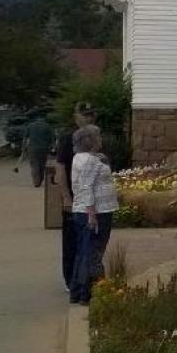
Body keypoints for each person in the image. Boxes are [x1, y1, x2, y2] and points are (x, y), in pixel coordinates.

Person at [68, 123, 119, 305]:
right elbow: (86, 185)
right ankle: (90, 292)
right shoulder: (90, 160)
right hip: (96, 212)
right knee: (93, 252)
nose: (101, 139)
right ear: (90, 141)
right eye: (98, 137)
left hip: (86, 210)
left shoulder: (81, 158)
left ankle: (77, 290)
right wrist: (91, 213)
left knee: (84, 251)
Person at [55, 103, 96, 290]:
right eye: (84, 115)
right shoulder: (68, 138)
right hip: (74, 196)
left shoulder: (94, 137)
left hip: (92, 198)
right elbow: (61, 168)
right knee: (71, 240)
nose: (88, 118)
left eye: (90, 115)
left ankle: (86, 277)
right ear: (76, 117)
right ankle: (70, 279)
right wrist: (65, 197)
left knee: (89, 240)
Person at [20, 112, 53, 188]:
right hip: (44, 148)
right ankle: (40, 179)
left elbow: (25, 137)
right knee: (42, 164)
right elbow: (52, 137)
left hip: (32, 148)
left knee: (34, 164)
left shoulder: (30, 126)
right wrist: (52, 147)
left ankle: (36, 181)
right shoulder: (47, 126)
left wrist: (23, 147)